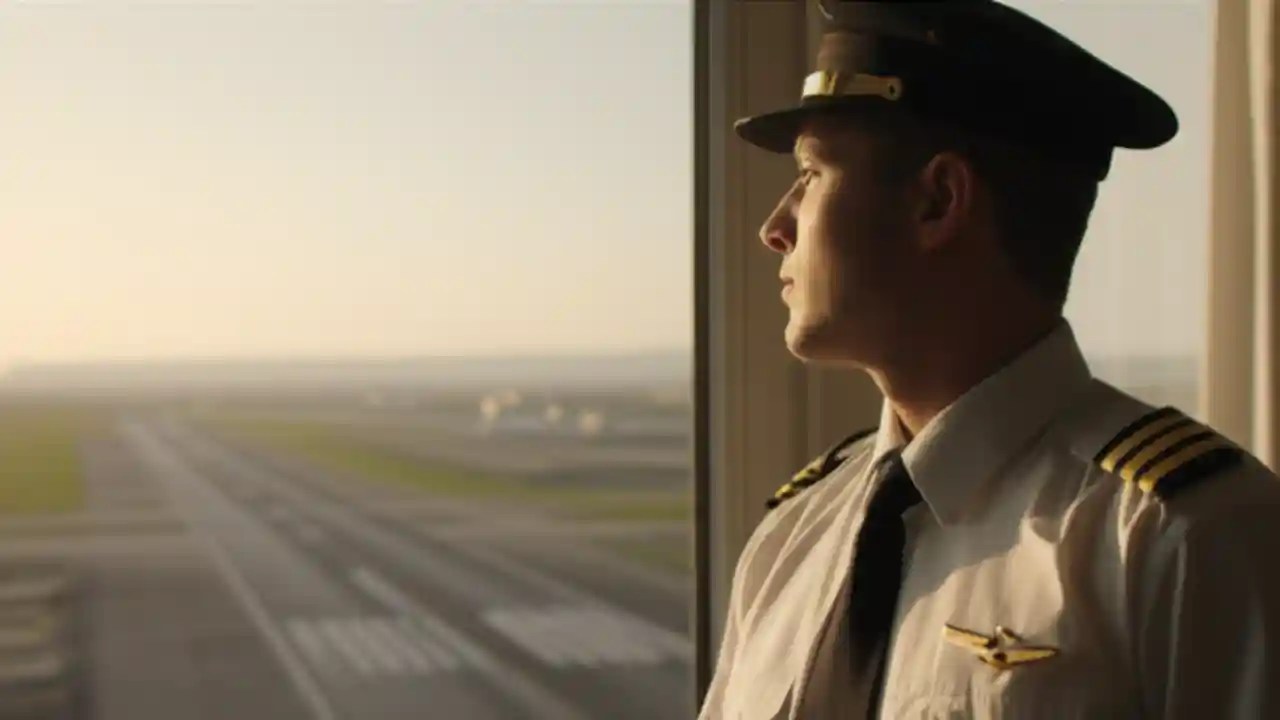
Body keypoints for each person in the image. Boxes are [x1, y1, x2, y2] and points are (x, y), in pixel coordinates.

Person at [697, 1, 1280, 718]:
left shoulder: (1183, 536)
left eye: (812, 174)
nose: (774, 228)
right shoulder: (796, 533)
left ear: (938, 201)